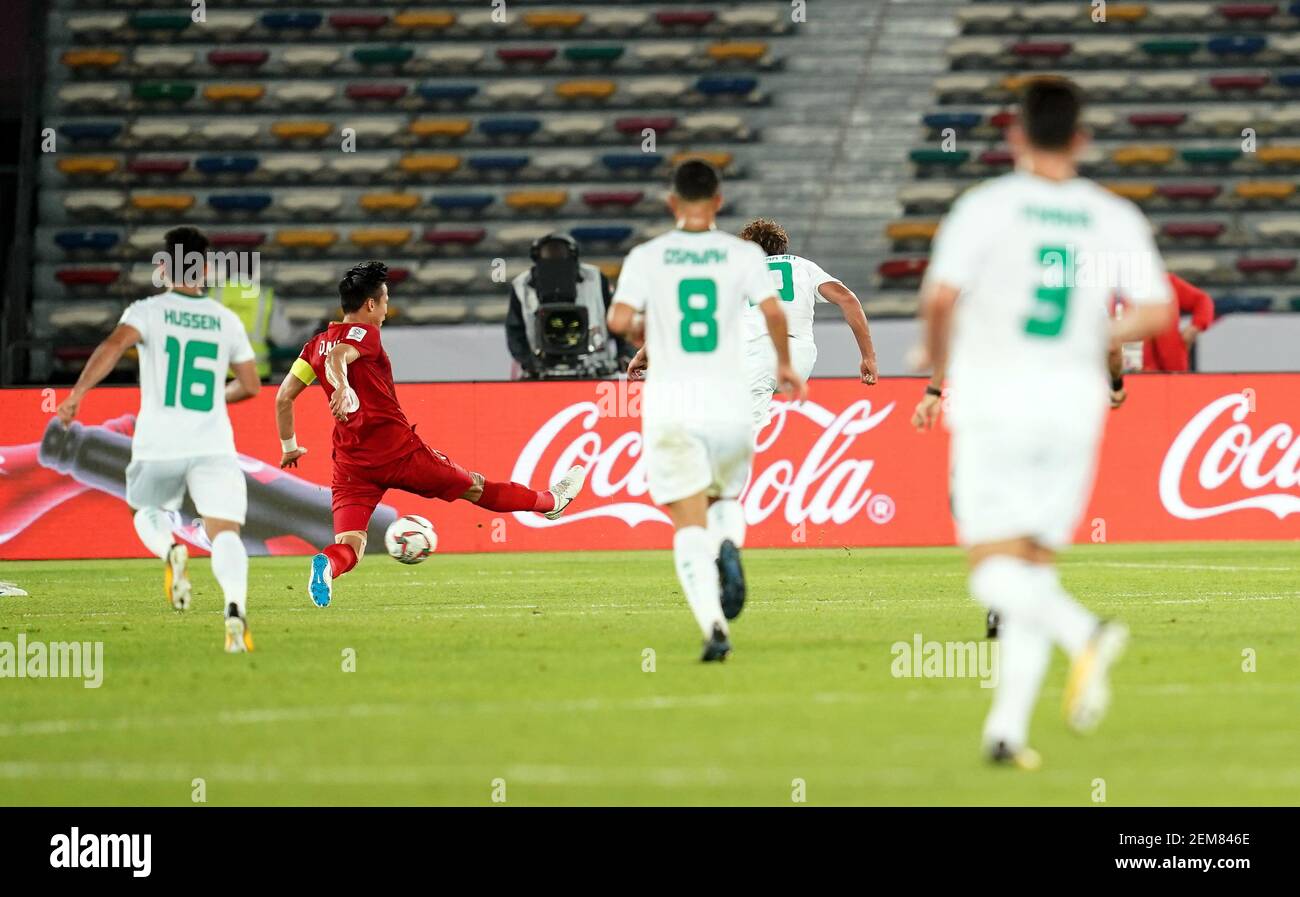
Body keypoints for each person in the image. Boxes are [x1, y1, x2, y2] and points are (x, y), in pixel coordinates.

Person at [910, 78, 1173, 767]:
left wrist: (935, 360)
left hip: (997, 400)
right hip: (1071, 403)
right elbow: (1157, 310)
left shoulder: (988, 208)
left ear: (1016, 136)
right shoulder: (1109, 215)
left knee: (990, 568)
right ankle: (1006, 730)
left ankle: (1084, 631)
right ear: (1081, 138)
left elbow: (939, 298)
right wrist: (1091, 334)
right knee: (1032, 562)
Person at [275, 261, 586, 608]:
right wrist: (343, 387)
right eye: (386, 300)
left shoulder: (312, 345)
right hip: (400, 453)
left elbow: (283, 397)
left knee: (351, 543)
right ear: (370, 304)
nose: (387, 309)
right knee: (475, 487)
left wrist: (289, 446)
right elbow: (339, 356)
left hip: (352, 464)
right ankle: (550, 503)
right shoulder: (366, 334)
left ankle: (328, 567)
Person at [606, 160, 807, 661]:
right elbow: (774, 311)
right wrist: (785, 364)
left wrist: (641, 334)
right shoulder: (741, 256)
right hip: (730, 398)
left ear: (672, 203)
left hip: (674, 401)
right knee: (725, 499)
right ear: (719, 202)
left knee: (687, 521)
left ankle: (715, 626)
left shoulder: (648, 256)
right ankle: (729, 544)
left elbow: (619, 318)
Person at [55, 226, 262, 653]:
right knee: (226, 532)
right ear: (204, 269)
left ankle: (170, 549)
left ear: (165, 268)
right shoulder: (226, 321)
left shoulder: (147, 311)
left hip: (158, 443)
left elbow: (113, 347)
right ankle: (235, 610)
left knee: (147, 509)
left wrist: (77, 395)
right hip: (212, 444)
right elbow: (251, 385)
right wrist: (215, 399)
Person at [628, 218, 878, 430]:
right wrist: (868, 357)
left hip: (758, 355)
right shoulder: (804, 267)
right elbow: (847, 299)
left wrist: (644, 353)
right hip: (799, 359)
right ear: (782, 249)